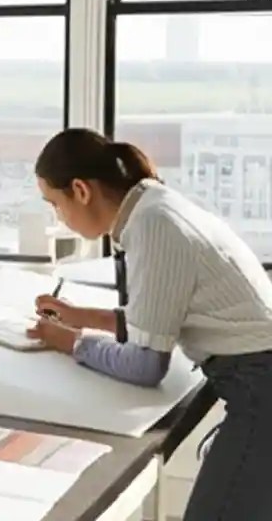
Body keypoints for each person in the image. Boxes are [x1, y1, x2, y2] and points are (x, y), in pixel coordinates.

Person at [29, 127, 272, 519]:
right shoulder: (154, 206)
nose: (58, 217)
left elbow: (145, 365)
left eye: (54, 204)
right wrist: (83, 317)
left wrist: (72, 342)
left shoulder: (152, 226)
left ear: (81, 190)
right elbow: (159, 314)